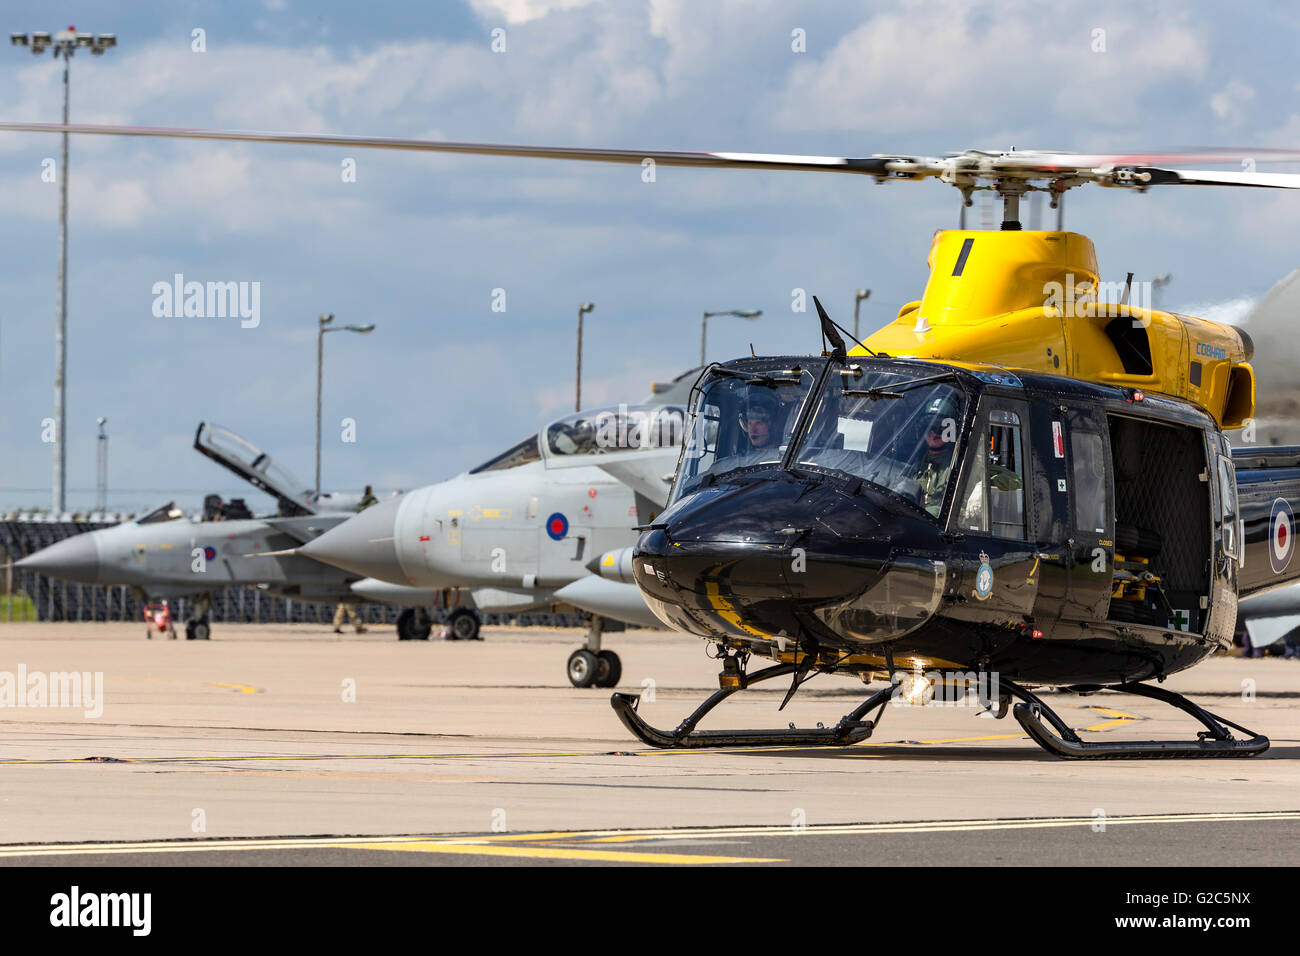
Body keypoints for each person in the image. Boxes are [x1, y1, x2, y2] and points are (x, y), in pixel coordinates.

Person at [915, 396, 959, 517]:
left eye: (941, 428)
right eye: (929, 427)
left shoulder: (959, 463)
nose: (934, 433)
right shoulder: (913, 459)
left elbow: (1013, 479)